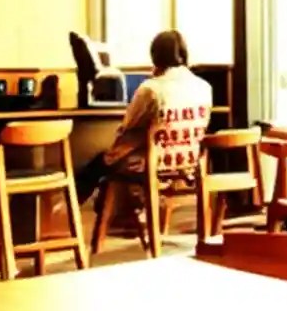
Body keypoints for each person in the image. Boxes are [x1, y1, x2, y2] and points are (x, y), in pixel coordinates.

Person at [80, 30, 213, 211]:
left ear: (155, 57)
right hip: (188, 162)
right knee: (108, 170)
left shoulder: (151, 89)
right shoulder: (204, 88)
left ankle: (67, 215)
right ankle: (117, 215)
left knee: (98, 165)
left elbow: (128, 127)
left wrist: (112, 153)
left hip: (151, 164)